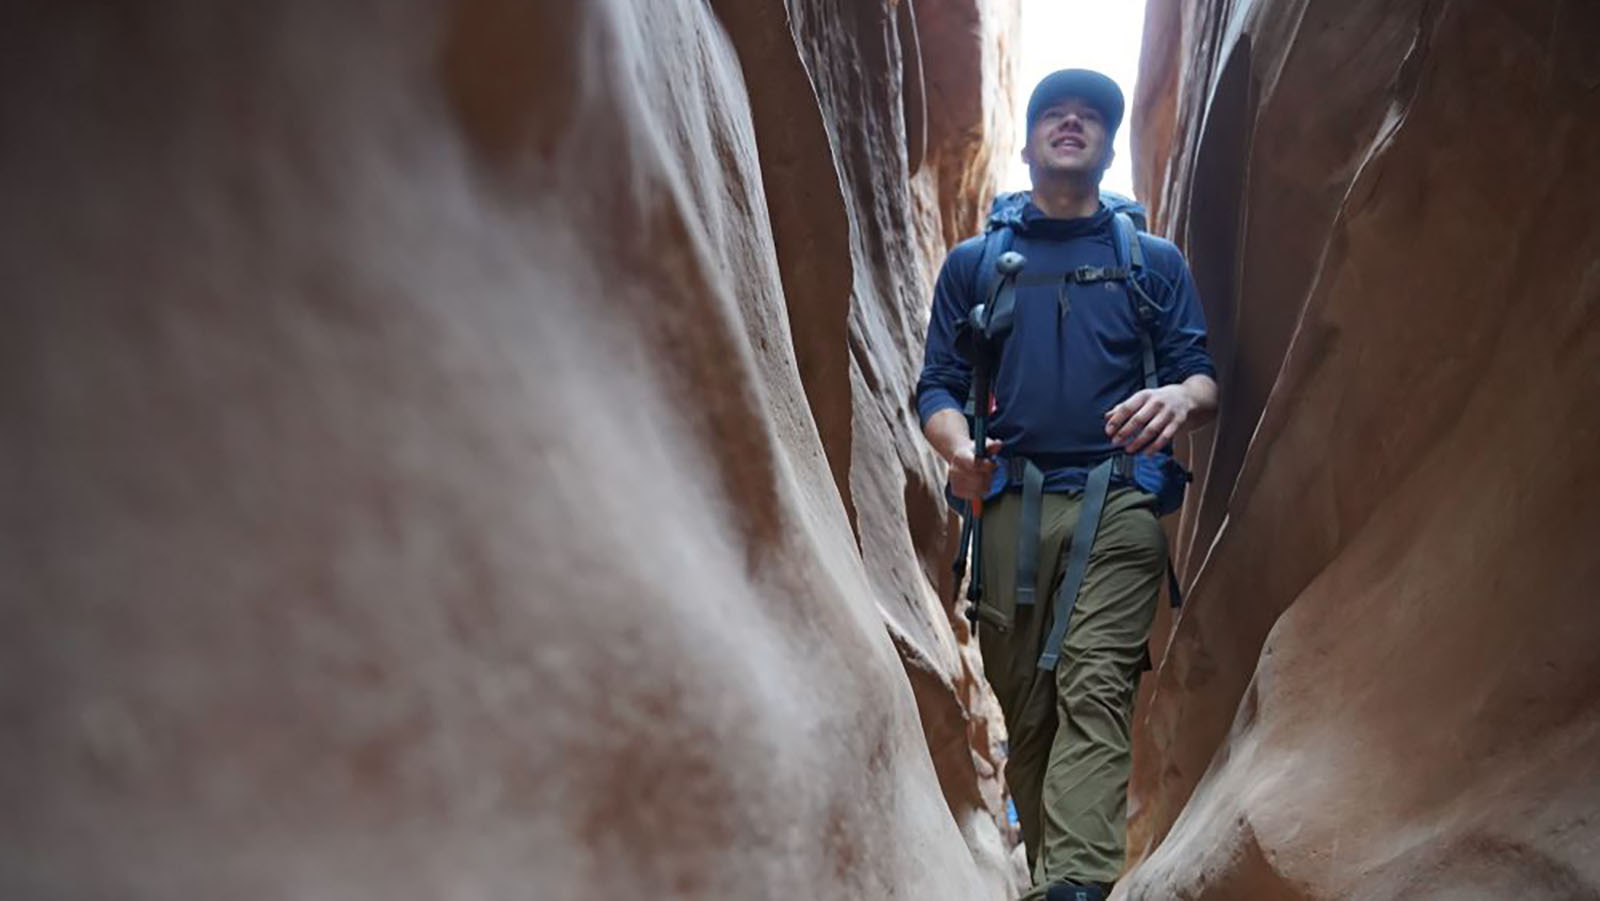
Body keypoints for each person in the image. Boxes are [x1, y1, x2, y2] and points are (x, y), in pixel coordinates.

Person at [916, 69, 1218, 901]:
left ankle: (1077, 886)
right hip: (1008, 503)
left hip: (1118, 499)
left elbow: (1202, 376)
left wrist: (1176, 397)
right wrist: (955, 451)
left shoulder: (1150, 262)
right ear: (1030, 140)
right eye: (1056, 112)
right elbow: (937, 386)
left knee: (1093, 677)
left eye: (1091, 116)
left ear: (1109, 144)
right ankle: (1054, 873)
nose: (1073, 123)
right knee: (1027, 699)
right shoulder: (977, 266)